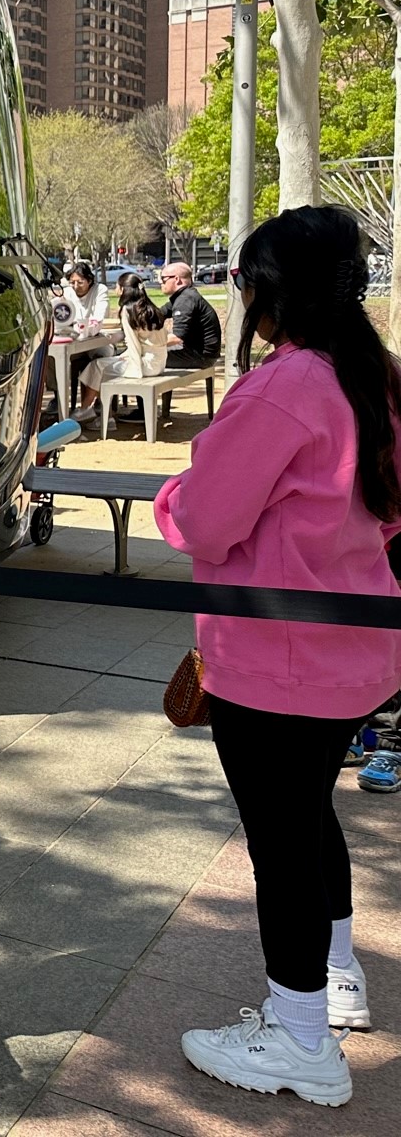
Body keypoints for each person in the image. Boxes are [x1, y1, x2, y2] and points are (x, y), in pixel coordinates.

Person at [153, 206, 401, 1108]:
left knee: (281, 841)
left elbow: (202, 519)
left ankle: (299, 1035)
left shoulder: (283, 387)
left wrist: (179, 486)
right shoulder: (373, 376)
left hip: (274, 661)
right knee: (308, 820)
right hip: (353, 654)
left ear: (271, 295)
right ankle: (334, 978)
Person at [74, 272, 166, 422]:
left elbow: (132, 342)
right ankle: (95, 411)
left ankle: (93, 412)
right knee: (101, 366)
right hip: (158, 362)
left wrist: (132, 365)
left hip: (143, 365)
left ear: (123, 289)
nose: (115, 289)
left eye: (117, 286)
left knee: (96, 367)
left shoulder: (128, 310)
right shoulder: (150, 307)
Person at [159, 260, 224, 370]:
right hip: (197, 353)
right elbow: (157, 314)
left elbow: (176, 338)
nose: (161, 283)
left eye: (163, 279)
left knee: (146, 358)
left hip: (201, 357)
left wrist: (146, 344)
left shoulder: (185, 299)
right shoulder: (184, 295)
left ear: (176, 279)